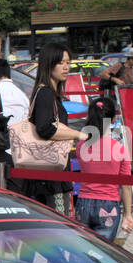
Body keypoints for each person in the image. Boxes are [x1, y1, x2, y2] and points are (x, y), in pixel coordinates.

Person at [20, 42, 87, 213]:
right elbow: (45, 128)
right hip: (51, 176)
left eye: (68, 62)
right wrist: (76, 134)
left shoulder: (48, 92)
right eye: (61, 63)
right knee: (59, 225)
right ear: (49, 64)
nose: (66, 67)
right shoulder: (45, 93)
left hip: (48, 171)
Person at [75, 95, 133, 242]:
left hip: (83, 203)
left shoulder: (81, 146)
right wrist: (128, 215)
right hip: (109, 205)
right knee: (103, 254)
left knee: (82, 251)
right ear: (113, 119)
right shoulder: (120, 149)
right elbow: (126, 186)